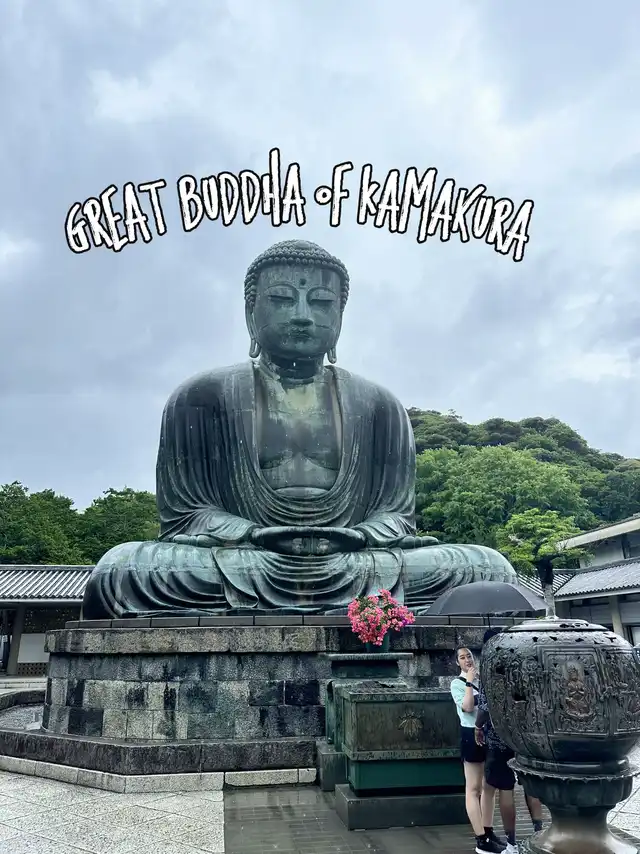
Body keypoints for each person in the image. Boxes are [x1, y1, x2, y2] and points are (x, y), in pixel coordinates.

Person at [82, 239, 518, 619]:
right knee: (122, 570)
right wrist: (250, 533)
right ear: (251, 312)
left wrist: (359, 536)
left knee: (487, 568)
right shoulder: (202, 396)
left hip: (355, 561)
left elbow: (396, 516)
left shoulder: (379, 405)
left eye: (322, 303)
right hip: (244, 560)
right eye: (283, 299)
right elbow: (186, 514)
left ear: (341, 316)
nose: (303, 316)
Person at [475, 628, 545, 854]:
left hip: (499, 737)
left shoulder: (488, 667)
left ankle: (512, 844)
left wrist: (478, 726)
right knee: (530, 785)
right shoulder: (520, 661)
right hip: (525, 733)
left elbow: (484, 706)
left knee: (505, 788)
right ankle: (539, 834)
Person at [451, 646, 506, 854]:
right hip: (470, 734)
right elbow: (467, 707)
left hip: (487, 733)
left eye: (469, 656)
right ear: (457, 662)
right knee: (473, 788)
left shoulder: (482, 680)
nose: (467, 660)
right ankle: (481, 838)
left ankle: (488, 830)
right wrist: (468, 682)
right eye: (462, 658)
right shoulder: (457, 683)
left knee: (489, 786)